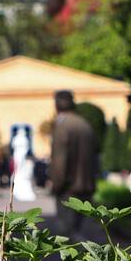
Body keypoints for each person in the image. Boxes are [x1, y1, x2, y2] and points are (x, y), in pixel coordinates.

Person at [49, 90, 97, 232]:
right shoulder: (85, 124)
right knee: (83, 233)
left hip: (68, 189)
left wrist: (56, 184)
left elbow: (60, 160)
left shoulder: (62, 126)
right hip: (86, 186)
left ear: (57, 105)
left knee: (68, 236)